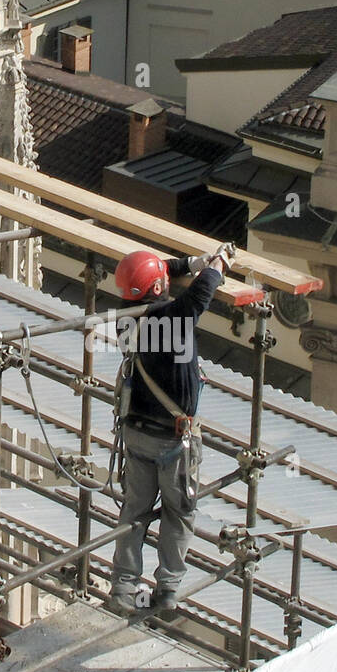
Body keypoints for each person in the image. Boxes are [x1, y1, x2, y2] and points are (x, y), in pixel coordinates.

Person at [108, 243, 235, 621]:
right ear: (162, 288)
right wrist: (216, 265)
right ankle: (167, 591)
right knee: (178, 513)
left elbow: (151, 275)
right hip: (173, 439)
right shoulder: (177, 316)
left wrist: (189, 263)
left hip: (137, 434)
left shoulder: (126, 318)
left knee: (134, 512)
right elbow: (201, 292)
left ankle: (123, 588)